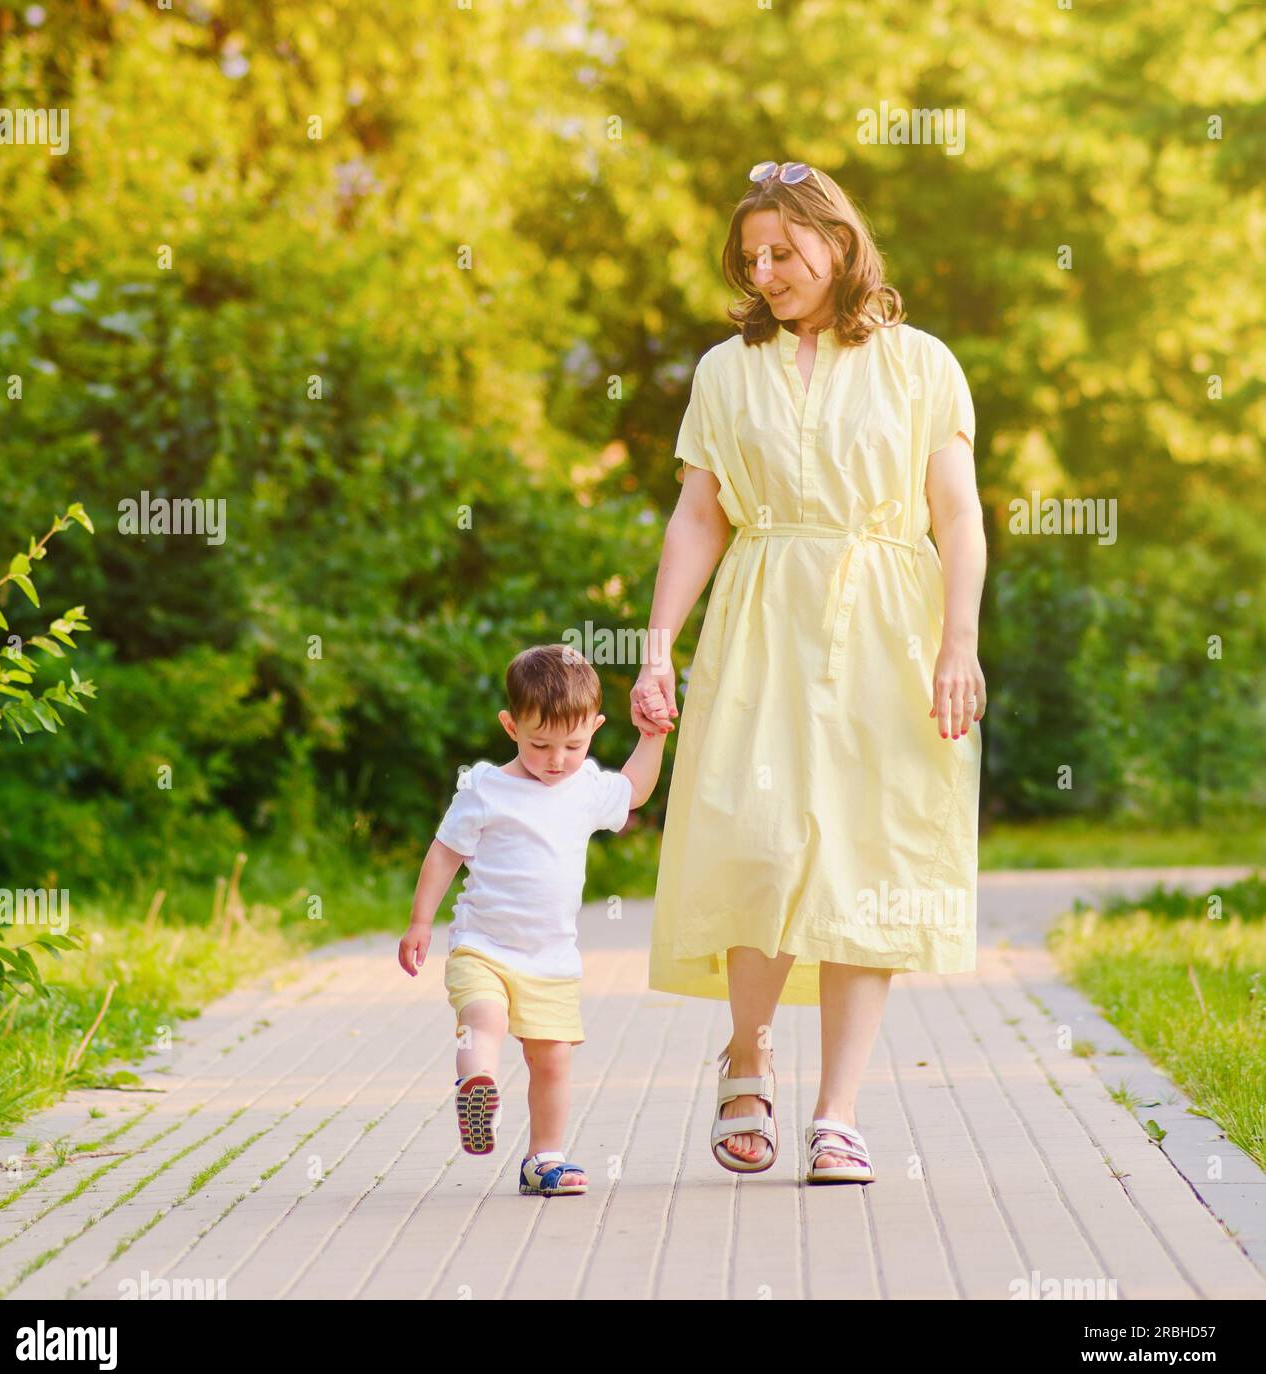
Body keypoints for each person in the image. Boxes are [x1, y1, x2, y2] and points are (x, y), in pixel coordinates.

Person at [631, 160, 986, 1185]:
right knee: (757, 838)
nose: (766, 269)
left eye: (783, 250)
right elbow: (699, 514)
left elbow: (957, 514)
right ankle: (746, 1053)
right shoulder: (724, 372)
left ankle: (838, 1111)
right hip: (761, 618)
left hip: (890, 621)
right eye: (751, 257)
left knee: (863, 863)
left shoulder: (922, 364)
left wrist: (957, 641)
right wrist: (657, 646)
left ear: (838, 241)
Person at [399, 643, 666, 1195]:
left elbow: (635, 791)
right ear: (510, 725)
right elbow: (444, 852)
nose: (555, 759)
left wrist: (653, 737)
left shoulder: (586, 786)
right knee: (486, 1020)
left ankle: (544, 1158)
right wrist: (421, 922)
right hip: (484, 945)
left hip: (551, 959)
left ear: (594, 727)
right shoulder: (484, 788)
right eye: (539, 743)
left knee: (552, 1062)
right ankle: (479, 1084)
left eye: (573, 744)